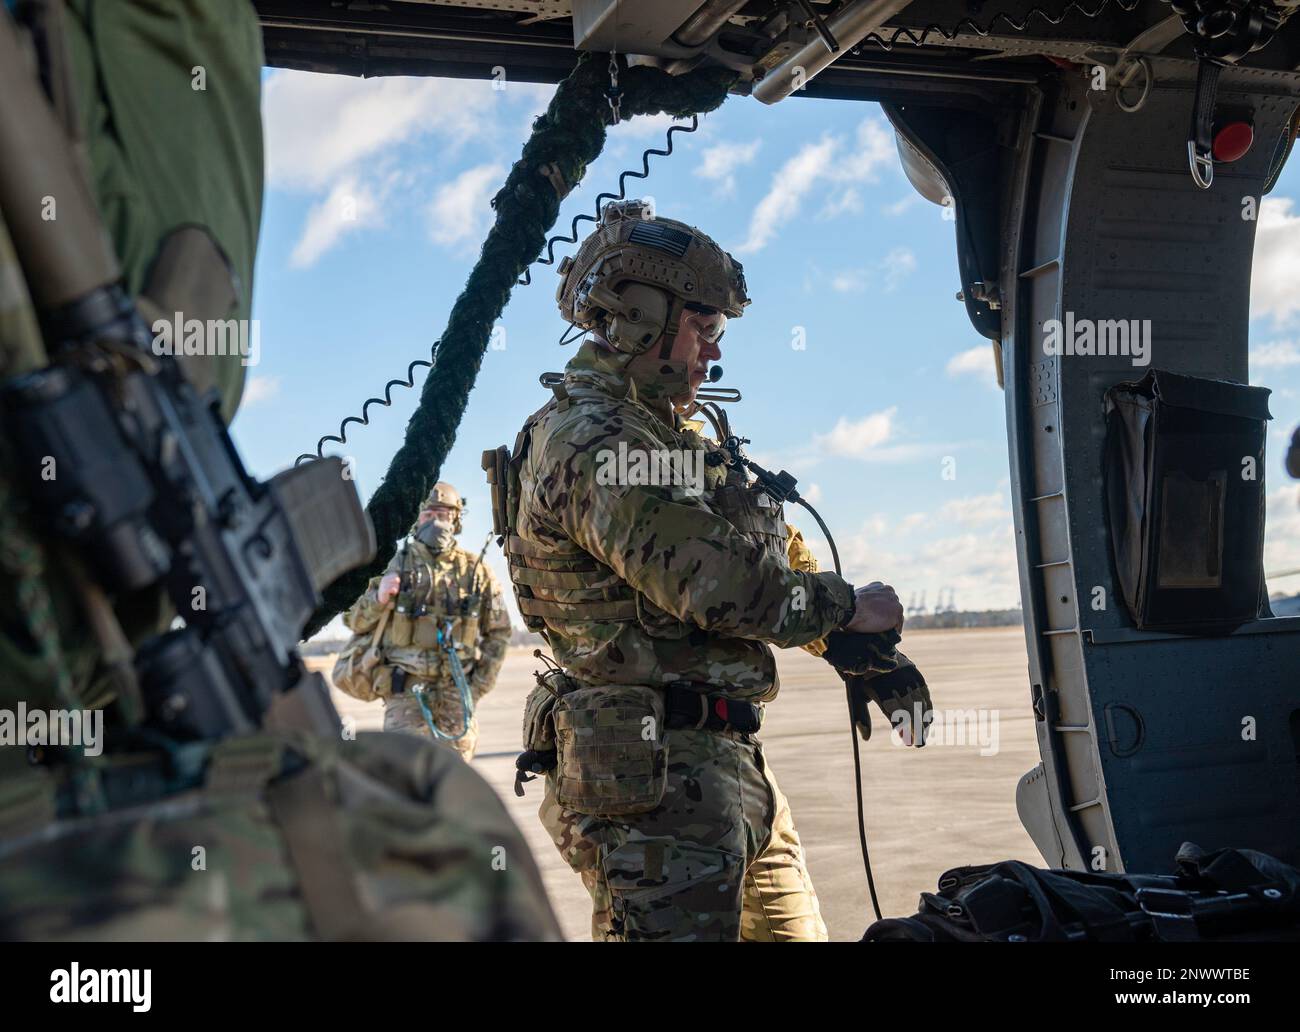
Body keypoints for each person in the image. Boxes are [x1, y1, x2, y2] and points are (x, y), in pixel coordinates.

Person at [0, 1, 558, 942]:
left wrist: (443, 686)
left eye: (445, 515)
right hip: (331, 701)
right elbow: (365, 624)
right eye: (440, 514)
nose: (441, 523)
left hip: (394, 710)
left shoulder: (460, 573)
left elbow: (486, 633)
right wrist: (382, 680)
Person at [495, 199, 918, 941]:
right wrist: (847, 608)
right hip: (655, 796)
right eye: (706, 328)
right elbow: (717, 584)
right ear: (637, 318)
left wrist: (845, 648)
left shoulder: (672, 435)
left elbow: (764, 552)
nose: (714, 353)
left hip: (725, 767)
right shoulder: (596, 440)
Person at [341, 482, 511, 761]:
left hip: (457, 693)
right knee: (405, 777)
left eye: (443, 514)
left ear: (456, 519)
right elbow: (352, 620)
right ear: (416, 519)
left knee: (455, 781)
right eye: (428, 514)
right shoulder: (391, 566)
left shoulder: (476, 571)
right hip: (405, 692)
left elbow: (500, 632)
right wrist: (379, 598)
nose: (436, 521)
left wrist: (477, 686)